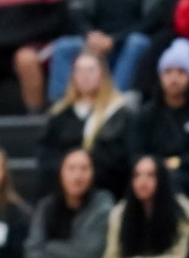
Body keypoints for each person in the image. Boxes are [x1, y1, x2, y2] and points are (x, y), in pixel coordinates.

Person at [129, 40, 189, 203]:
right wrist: (155, 167)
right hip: (151, 173)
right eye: (168, 71)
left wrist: (176, 162)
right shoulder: (147, 113)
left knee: (173, 181)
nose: (174, 78)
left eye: (181, 72)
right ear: (160, 76)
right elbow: (135, 151)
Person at [38, 53, 133, 199]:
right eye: (79, 71)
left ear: (102, 75)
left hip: (107, 191)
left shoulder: (120, 114)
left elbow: (124, 158)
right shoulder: (59, 115)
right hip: (63, 195)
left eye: (91, 70)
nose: (85, 76)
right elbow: (46, 157)